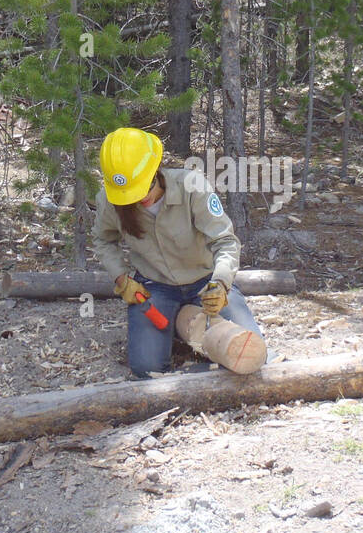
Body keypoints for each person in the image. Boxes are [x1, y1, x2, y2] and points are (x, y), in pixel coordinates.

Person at [93, 127, 265, 378]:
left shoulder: (191, 187)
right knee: (146, 370)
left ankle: (184, 330)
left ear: (156, 172)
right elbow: (103, 240)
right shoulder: (110, 199)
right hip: (155, 287)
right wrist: (121, 278)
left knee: (253, 352)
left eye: (145, 188)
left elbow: (225, 241)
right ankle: (177, 328)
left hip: (205, 282)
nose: (140, 200)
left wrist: (221, 283)